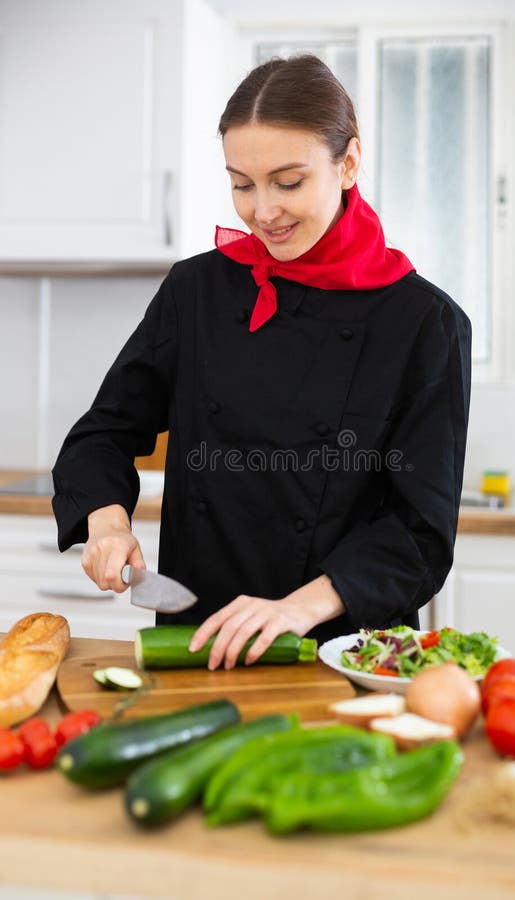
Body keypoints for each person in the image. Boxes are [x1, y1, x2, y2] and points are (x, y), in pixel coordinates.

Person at [52, 54, 471, 671]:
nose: (263, 211)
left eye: (288, 181)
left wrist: (294, 610)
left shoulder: (425, 324)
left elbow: (419, 534)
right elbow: (105, 432)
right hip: (199, 636)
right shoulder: (196, 291)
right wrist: (107, 526)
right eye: (242, 184)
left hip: (340, 649)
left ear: (348, 163)